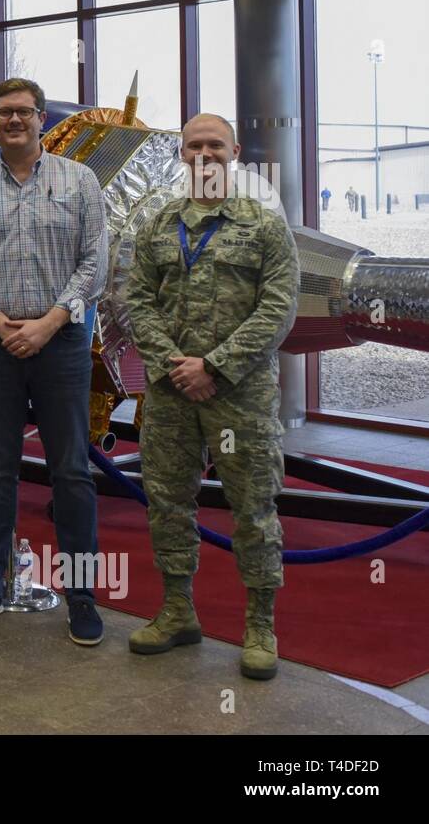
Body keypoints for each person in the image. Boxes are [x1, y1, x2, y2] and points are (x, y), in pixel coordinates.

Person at [124, 112, 299, 680]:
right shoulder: (157, 225)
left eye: (214, 145)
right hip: (171, 392)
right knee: (168, 503)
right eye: (194, 145)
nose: (204, 153)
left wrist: (214, 368)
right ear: (182, 153)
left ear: (234, 151)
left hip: (240, 397)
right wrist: (176, 366)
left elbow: (278, 309)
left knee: (254, 509)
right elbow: (137, 301)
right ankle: (178, 611)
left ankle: (260, 625)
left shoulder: (264, 225)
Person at [0, 77, 109, 644]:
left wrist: (49, 323)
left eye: (23, 112)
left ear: (42, 118)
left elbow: (95, 264)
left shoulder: (79, 180)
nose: (13, 120)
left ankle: (82, 597)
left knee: (72, 471)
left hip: (60, 342)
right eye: (3, 112)